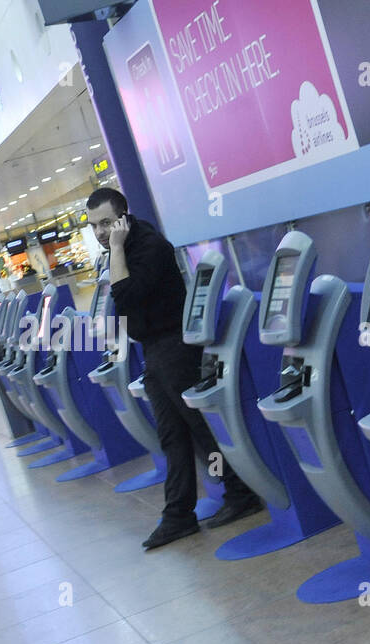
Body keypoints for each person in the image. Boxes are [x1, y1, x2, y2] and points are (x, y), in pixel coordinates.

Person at [86, 187, 262, 549]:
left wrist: (116, 249)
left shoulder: (148, 247)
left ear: (123, 218)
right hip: (154, 349)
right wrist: (116, 250)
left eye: (106, 223)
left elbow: (124, 298)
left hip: (175, 348)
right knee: (173, 436)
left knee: (199, 429)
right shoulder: (123, 250)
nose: (100, 233)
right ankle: (178, 515)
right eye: (94, 226)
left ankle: (239, 493)